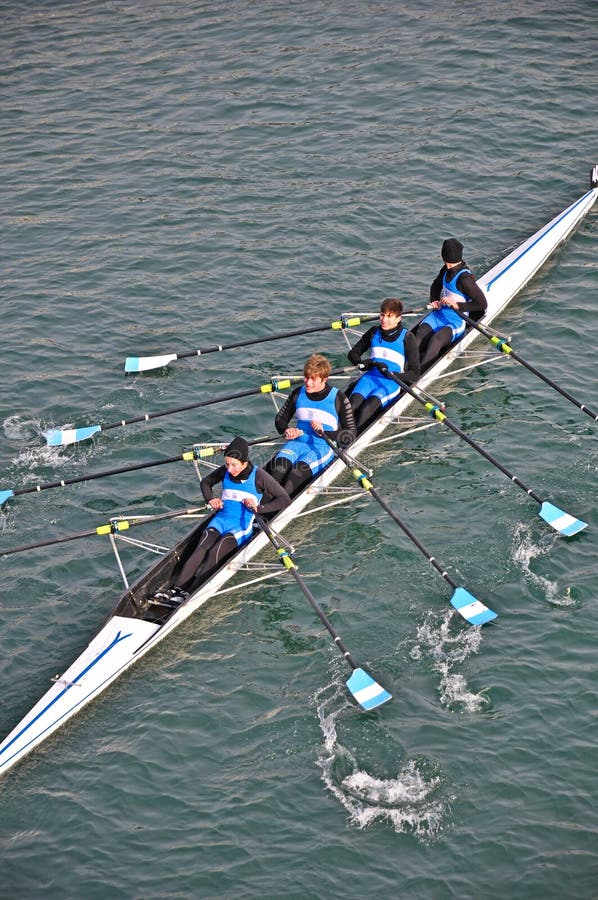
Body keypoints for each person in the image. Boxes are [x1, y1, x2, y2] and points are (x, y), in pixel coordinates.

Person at [155, 437, 291, 601]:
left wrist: (259, 508)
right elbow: (205, 483)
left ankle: (191, 593)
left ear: (244, 462)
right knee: (201, 548)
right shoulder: (224, 471)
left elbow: (284, 499)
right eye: (227, 464)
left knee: (214, 552)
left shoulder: (259, 476)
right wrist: (210, 499)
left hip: (240, 527)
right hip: (219, 520)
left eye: (234, 465)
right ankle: (176, 589)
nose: (230, 468)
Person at [269, 353, 356, 496]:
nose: (308, 383)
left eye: (313, 380)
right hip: (297, 443)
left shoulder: (338, 398)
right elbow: (280, 420)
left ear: (324, 379)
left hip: (322, 447)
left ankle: (273, 512)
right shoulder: (298, 393)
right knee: (277, 471)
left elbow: (351, 434)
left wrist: (324, 433)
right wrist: (287, 430)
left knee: (295, 475)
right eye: (306, 378)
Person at [412, 237, 487, 371]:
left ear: (444, 256)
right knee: (418, 338)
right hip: (439, 314)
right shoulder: (445, 270)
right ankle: (403, 369)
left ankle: (419, 375)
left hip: (457, 320)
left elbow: (482, 304)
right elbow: (435, 286)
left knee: (436, 340)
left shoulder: (465, 279)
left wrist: (458, 305)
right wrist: (434, 300)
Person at [346, 298, 420, 432]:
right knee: (351, 406)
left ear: (398, 318)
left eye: (389, 316)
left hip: (390, 383)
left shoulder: (407, 337)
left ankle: (349, 442)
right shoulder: (374, 332)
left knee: (366, 409)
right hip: (369, 378)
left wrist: (392, 374)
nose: (384, 320)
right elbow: (353, 354)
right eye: (382, 315)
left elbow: (415, 374)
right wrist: (363, 364)